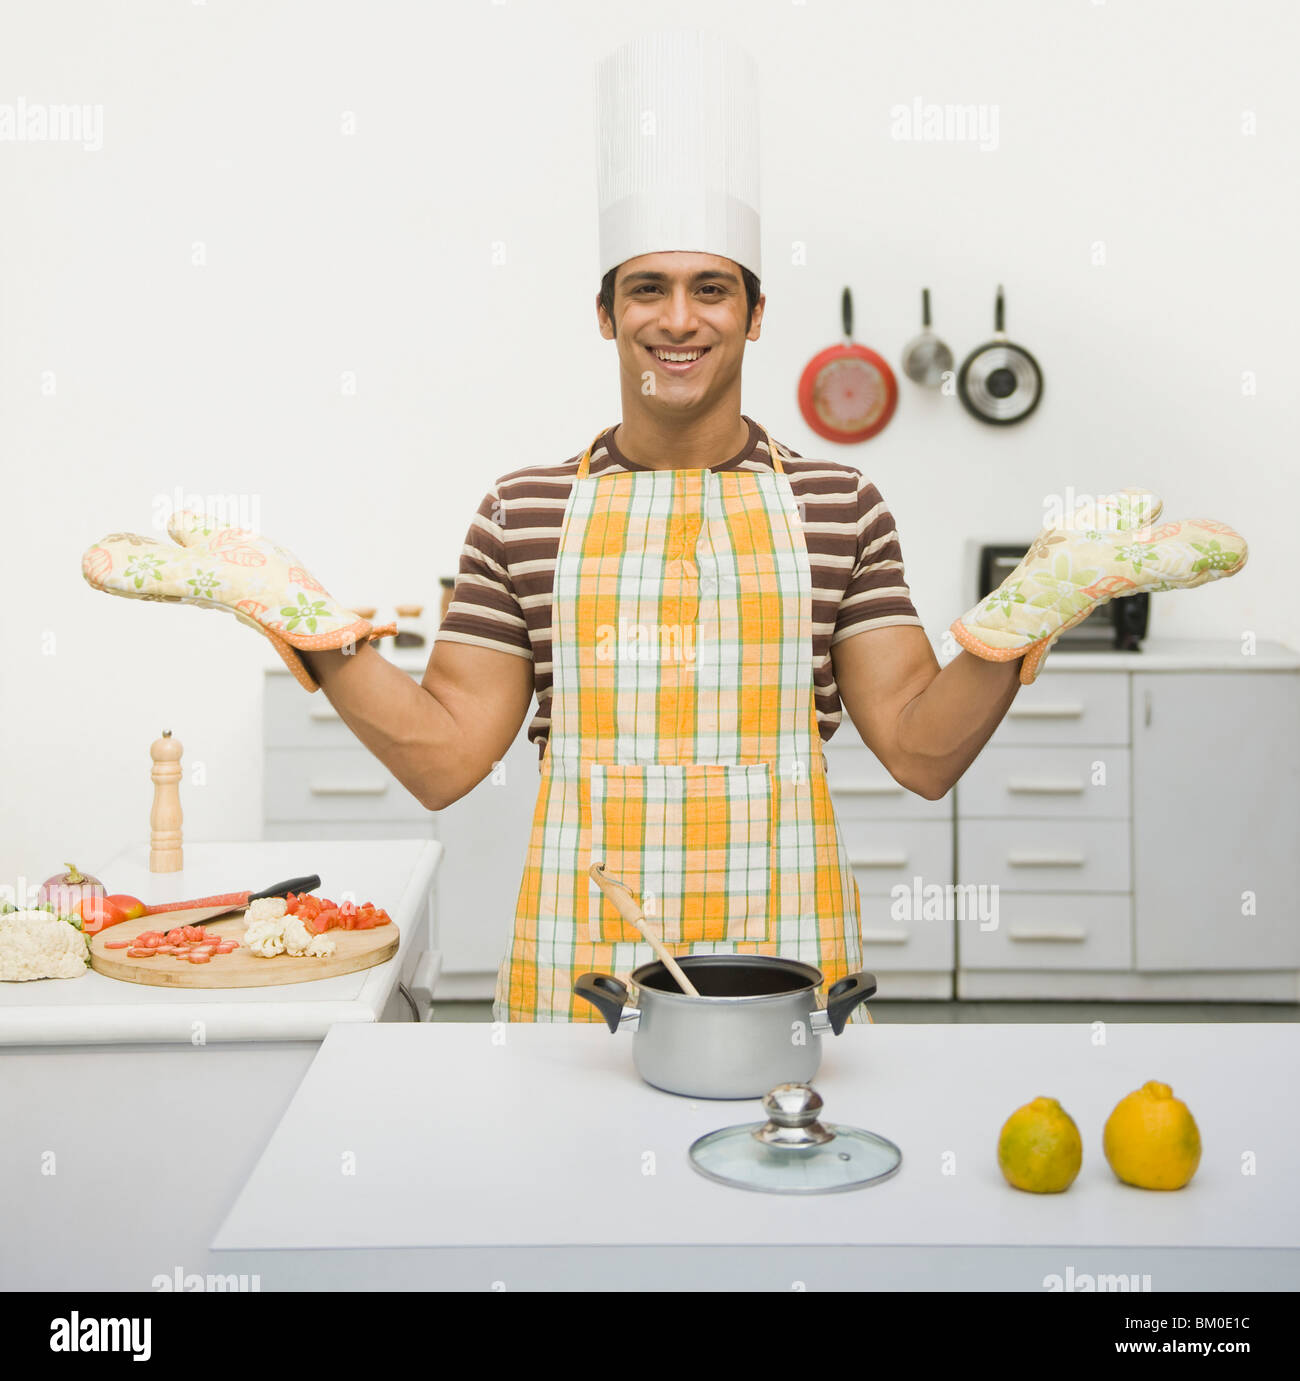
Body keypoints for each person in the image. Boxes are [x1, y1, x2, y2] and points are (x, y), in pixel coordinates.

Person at [82, 32, 1246, 1023]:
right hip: (580, 957)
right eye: (647, 288)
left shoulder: (839, 507)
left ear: (752, 315)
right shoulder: (523, 510)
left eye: (710, 289)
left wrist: (1022, 615)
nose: (677, 320)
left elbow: (919, 751)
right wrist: (312, 628)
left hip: (786, 951)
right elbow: (444, 760)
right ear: (604, 312)